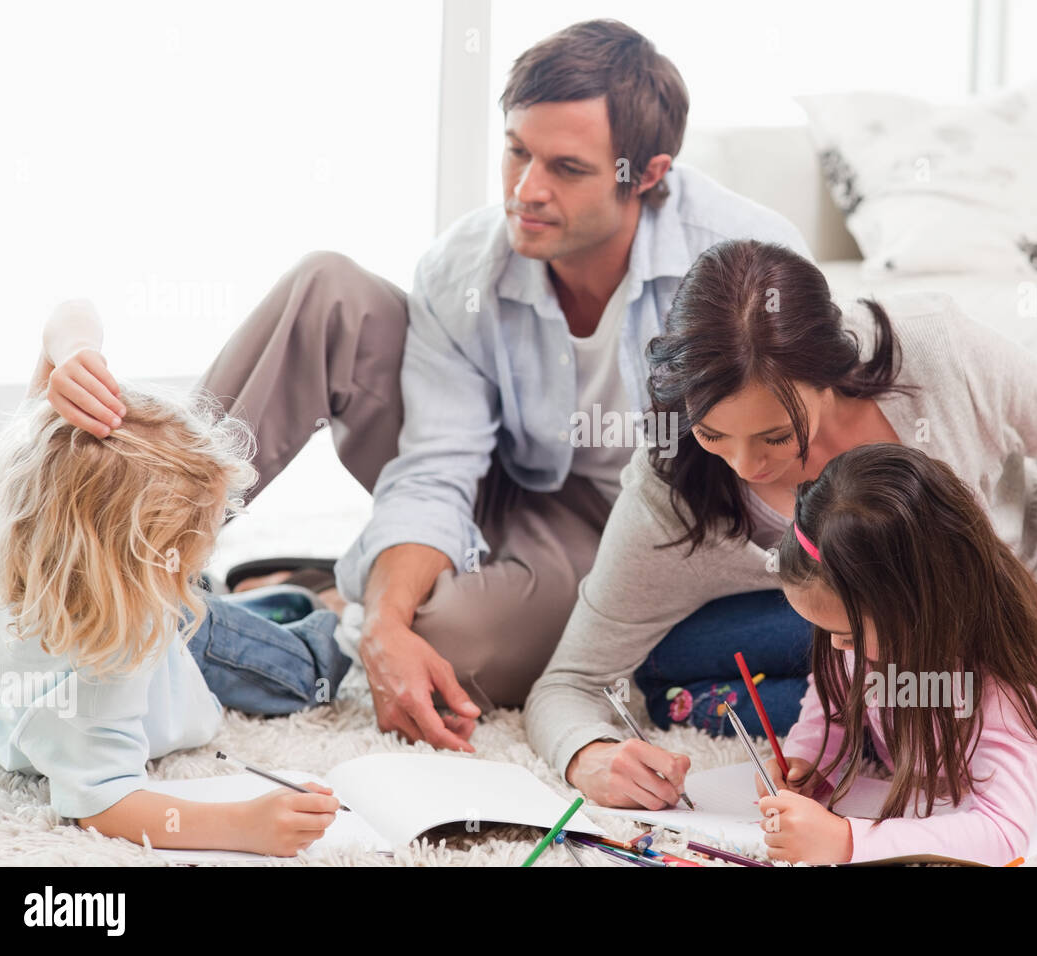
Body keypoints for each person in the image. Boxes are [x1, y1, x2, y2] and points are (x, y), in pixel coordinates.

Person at [181, 19, 814, 750]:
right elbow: (435, 467)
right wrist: (382, 630)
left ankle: (344, 588)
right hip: (501, 472)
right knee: (329, 289)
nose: (526, 190)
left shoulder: (749, 268)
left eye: (567, 169)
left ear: (646, 173)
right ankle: (132, 549)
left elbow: (794, 467)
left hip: (638, 528)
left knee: (446, 646)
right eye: (516, 152)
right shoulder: (465, 267)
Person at [525, 237, 1037, 819]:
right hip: (1006, 665)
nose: (747, 467)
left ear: (830, 368)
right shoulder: (676, 493)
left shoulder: (937, 354)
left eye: (775, 436)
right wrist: (588, 755)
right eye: (715, 435)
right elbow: (569, 680)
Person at [0, 301, 351, 856]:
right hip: (184, 646)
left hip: (147, 607)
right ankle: (325, 601)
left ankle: (265, 596)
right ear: (142, 582)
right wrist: (244, 825)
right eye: (194, 547)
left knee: (205, 608)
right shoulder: (109, 667)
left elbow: (69, 314)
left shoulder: (7, 512)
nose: (203, 551)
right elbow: (102, 803)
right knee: (308, 669)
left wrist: (76, 356)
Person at [754, 443, 1037, 866]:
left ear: (923, 608)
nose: (839, 649)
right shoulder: (862, 625)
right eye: (826, 633)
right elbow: (830, 706)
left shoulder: (1001, 678)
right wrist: (809, 764)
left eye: (848, 636)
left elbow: (1003, 832)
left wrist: (846, 840)